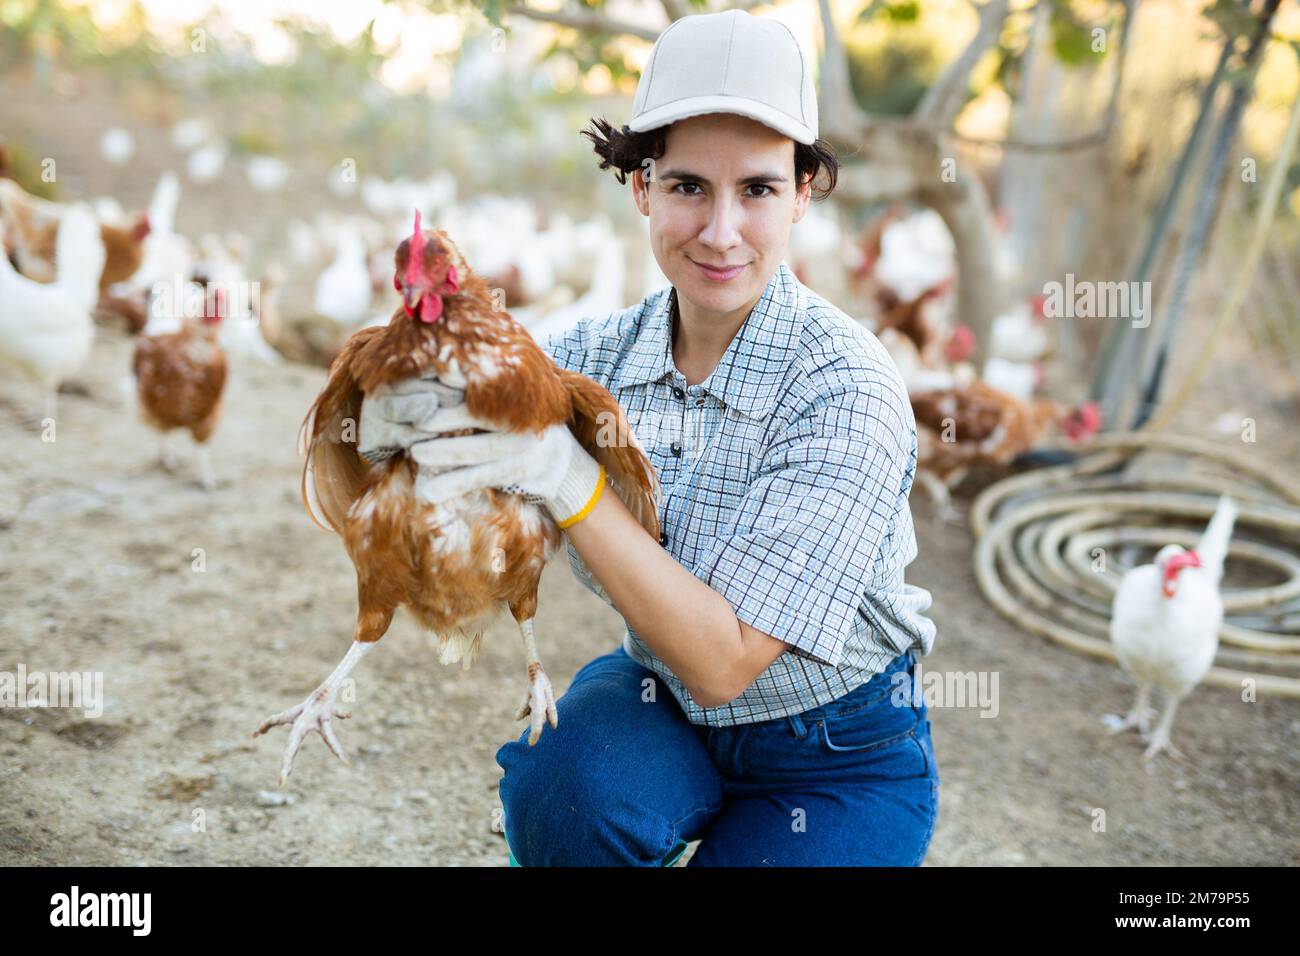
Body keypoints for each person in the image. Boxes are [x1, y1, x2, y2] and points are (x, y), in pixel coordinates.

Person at [358, 8, 940, 866]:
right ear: (642, 187)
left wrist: (566, 477)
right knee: (563, 787)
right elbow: (447, 438)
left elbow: (726, 661)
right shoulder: (588, 359)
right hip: (659, 701)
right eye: (688, 186)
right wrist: (400, 420)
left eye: (759, 189)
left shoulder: (846, 387)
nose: (720, 232)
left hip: (836, 755)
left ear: (803, 194)